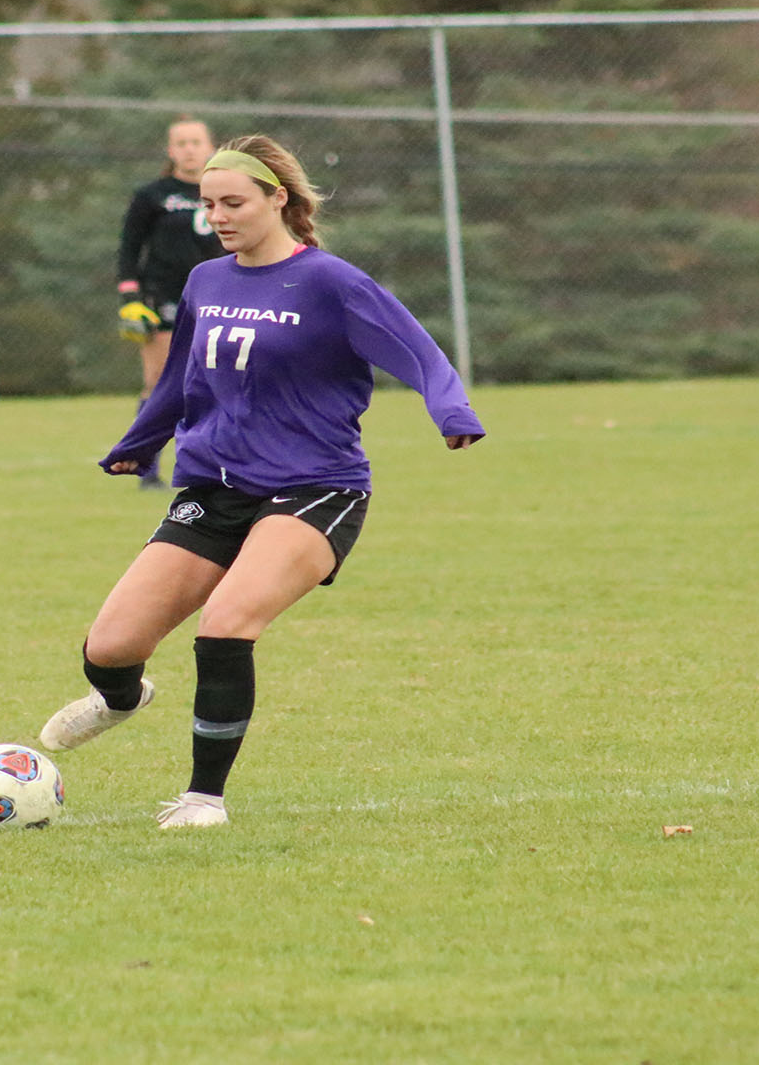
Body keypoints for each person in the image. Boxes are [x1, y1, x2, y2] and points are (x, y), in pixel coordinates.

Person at [40, 134, 486, 828]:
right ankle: (123, 700)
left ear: (279, 199)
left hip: (316, 488)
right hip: (217, 488)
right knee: (111, 647)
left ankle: (203, 800)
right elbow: (178, 377)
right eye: (209, 204)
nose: (218, 216)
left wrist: (451, 410)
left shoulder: (330, 282)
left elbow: (417, 351)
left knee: (225, 627)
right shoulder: (205, 281)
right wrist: (139, 443)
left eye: (234, 202)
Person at [115, 117, 225, 490]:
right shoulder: (153, 195)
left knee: (219, 381)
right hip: (164, 297)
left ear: (211, 147)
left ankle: (216, 466)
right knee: (162, 382)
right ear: (170, 150)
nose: (189, 149)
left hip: (218, 298)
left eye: (196, 141)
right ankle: (146, 467)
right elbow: (129, 249)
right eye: (181, 143)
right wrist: (130, 296)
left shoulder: (226, 191)